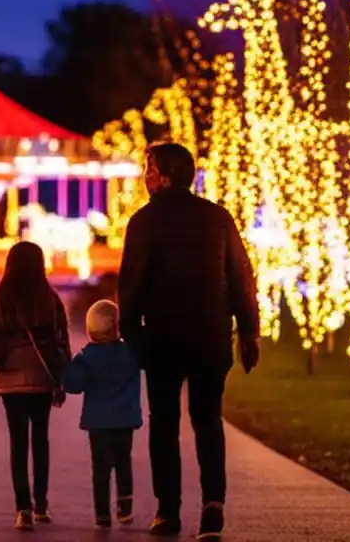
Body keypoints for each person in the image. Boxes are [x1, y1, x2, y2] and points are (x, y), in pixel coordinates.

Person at [117, 143, 259, 540]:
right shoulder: (217, 218)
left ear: (163, 176)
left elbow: (131, 285)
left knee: (164, 425)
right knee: (207, 420)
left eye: (148, 170)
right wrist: (248, 331)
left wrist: (133, 337)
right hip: (211, 337)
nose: (144, 177)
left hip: (163, 339)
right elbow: (241, 276)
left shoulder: (145, 222)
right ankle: (213, 507)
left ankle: (168, 512)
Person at [0, 241, 71, 531]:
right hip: (41, 376)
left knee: (17, 442)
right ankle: (41, 503)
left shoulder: (2, 298)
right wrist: (63, 376)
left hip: (10, 379)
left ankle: (23, 508)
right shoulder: (48, 298)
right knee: (40, 438)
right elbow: (61, 339)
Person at [61, 299, 142, 529]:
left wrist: (67, 365)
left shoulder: (88, 357)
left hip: (98, 423)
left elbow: (73, 384)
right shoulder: (130, 353)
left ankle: (103, 514)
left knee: (101, 468)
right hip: (125, 420)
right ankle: (125, 507)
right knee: (124, 462)